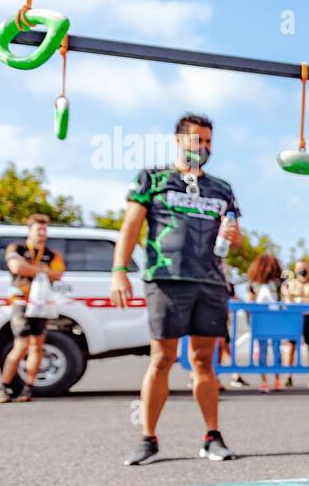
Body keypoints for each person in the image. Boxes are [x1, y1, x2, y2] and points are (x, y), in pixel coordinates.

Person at [111, 112, 243, 465]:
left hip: (211, 282)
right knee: (162, 358)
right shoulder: (152, 179)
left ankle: (211, 437)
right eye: (196, 140)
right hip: (166, 278)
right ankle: (148, 437)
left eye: (209, 141)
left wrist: (233, 234)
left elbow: (236, 239)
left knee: (204, 361)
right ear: (178, 141)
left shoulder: (222, 189)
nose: (203, 147)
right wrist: (119, 270)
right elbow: (131, 226)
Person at [0, 214, 66, 404]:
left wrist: (32, 269)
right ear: (30, 230)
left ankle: (28, 387)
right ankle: (5, 386)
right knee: (21, 344)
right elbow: (16, 267)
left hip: (41, 303)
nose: (42, 233)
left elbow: (58, 274)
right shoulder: (17, 248)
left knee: (37, 345)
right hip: (21, 301)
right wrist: (41, 270)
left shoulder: (52, 254)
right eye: (38, 229)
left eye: (44, 230)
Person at [245, 253, 284, 392]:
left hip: (260, 319)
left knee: (264, 350)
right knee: (275, 349)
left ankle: (265, 382)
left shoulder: (254, 283)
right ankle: (277, 380)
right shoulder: (278, 283)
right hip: (274, 320)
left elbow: (250, 301)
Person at [281, 259, 309, 388]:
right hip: (294, 319)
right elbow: (287, 299)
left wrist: (299, 299)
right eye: (299, 268)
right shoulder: (290, 284)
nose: (302, 271)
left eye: (304, 268)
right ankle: (288, 375)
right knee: (291, 346)